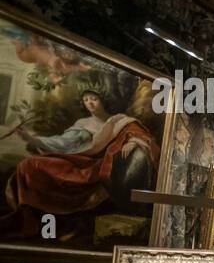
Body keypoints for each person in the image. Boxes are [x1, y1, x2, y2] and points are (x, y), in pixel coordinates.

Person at [1, 88, 159, 239]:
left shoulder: (118, 121)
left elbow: (141, 135)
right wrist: (32, 139)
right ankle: (33, 216)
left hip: (99, 165)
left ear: (103, 101)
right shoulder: (83, 123)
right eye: (86, 100)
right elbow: (62, 143)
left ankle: (68, 221)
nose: (90, 103)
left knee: (51, 168)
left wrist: (133, 141)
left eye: (94, 99)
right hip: (77, 160)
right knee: (30, 164)